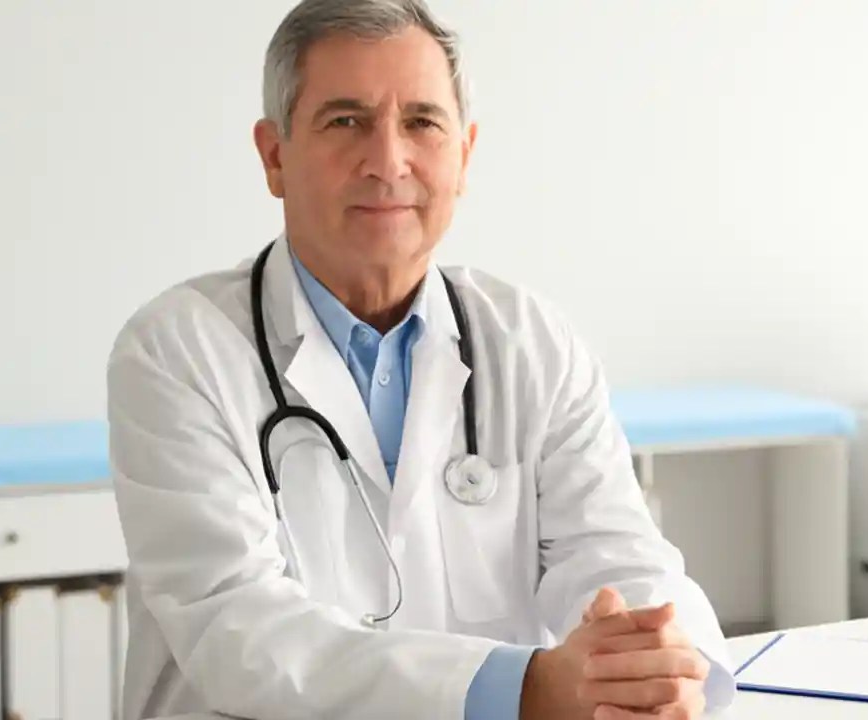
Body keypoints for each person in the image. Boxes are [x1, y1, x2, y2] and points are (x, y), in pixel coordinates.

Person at [107, 1, 735, 718]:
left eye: (421, 123)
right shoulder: (177, 350)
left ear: (464, 154)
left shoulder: (530, 340)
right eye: (345, 121)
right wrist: (524, 688)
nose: (388, 161)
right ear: (274, 155)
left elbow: (617, 553)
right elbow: (237, 627)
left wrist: (659, 665)